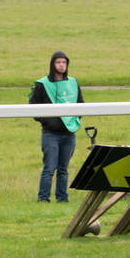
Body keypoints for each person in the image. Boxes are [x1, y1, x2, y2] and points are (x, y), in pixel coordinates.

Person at [29, 50, 82, 203]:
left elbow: (81, 104)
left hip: (69, 133)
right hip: (50, 134)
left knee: (63, 169)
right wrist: (47, 122)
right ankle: (43, 199)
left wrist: (75, 120)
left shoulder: (73, 83)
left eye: (64, 62)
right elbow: (32, 107)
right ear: (53, 65)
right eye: (58, 62)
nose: (61, 65)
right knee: (49, 169)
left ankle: (62, 198)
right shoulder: (42, 84)